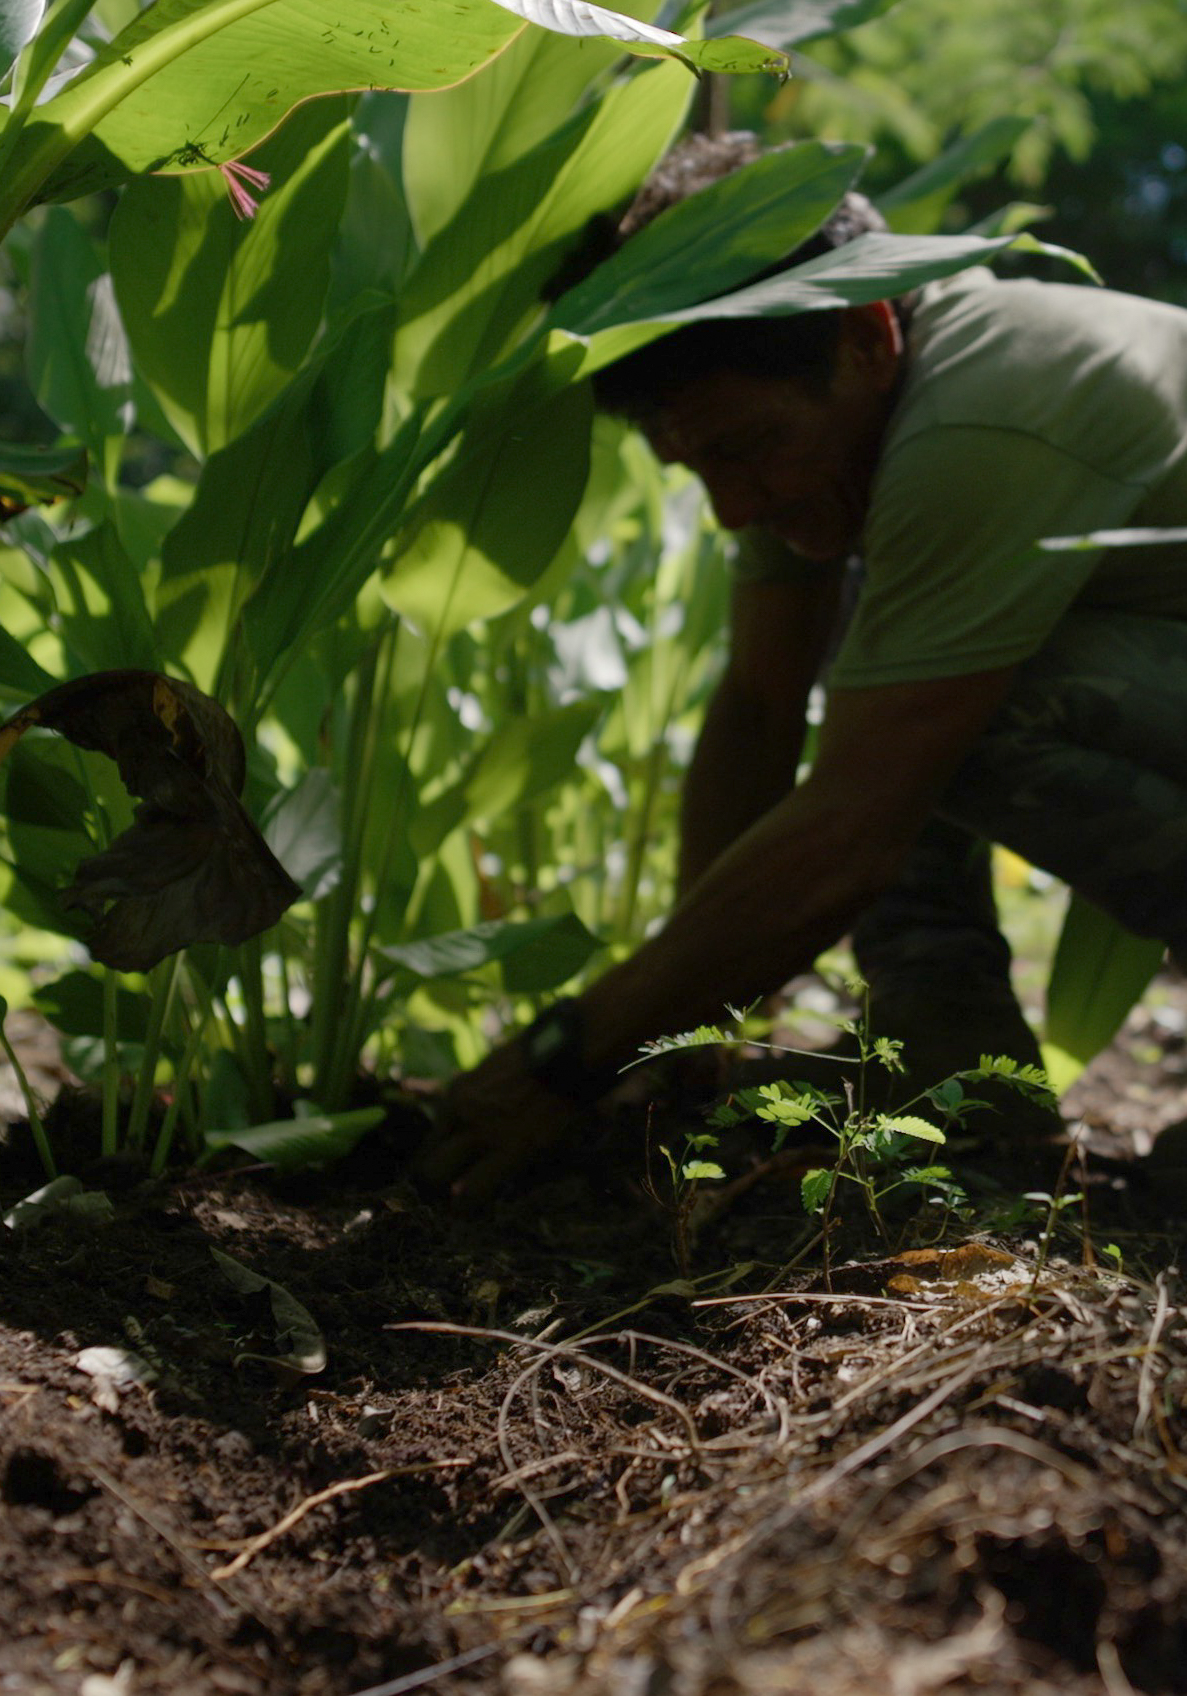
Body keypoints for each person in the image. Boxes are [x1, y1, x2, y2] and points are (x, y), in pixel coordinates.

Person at [420, 131, 1187, 1204]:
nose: (733, 509)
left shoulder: (986, 402)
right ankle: (965, 1101)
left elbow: (852, 824)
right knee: (892, 681)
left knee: (954, 707)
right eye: (696, 468)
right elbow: (758, 704)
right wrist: (684, 1026)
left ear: (865, 332)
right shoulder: (833, 428)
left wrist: (572, 1051)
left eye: (742, 451)